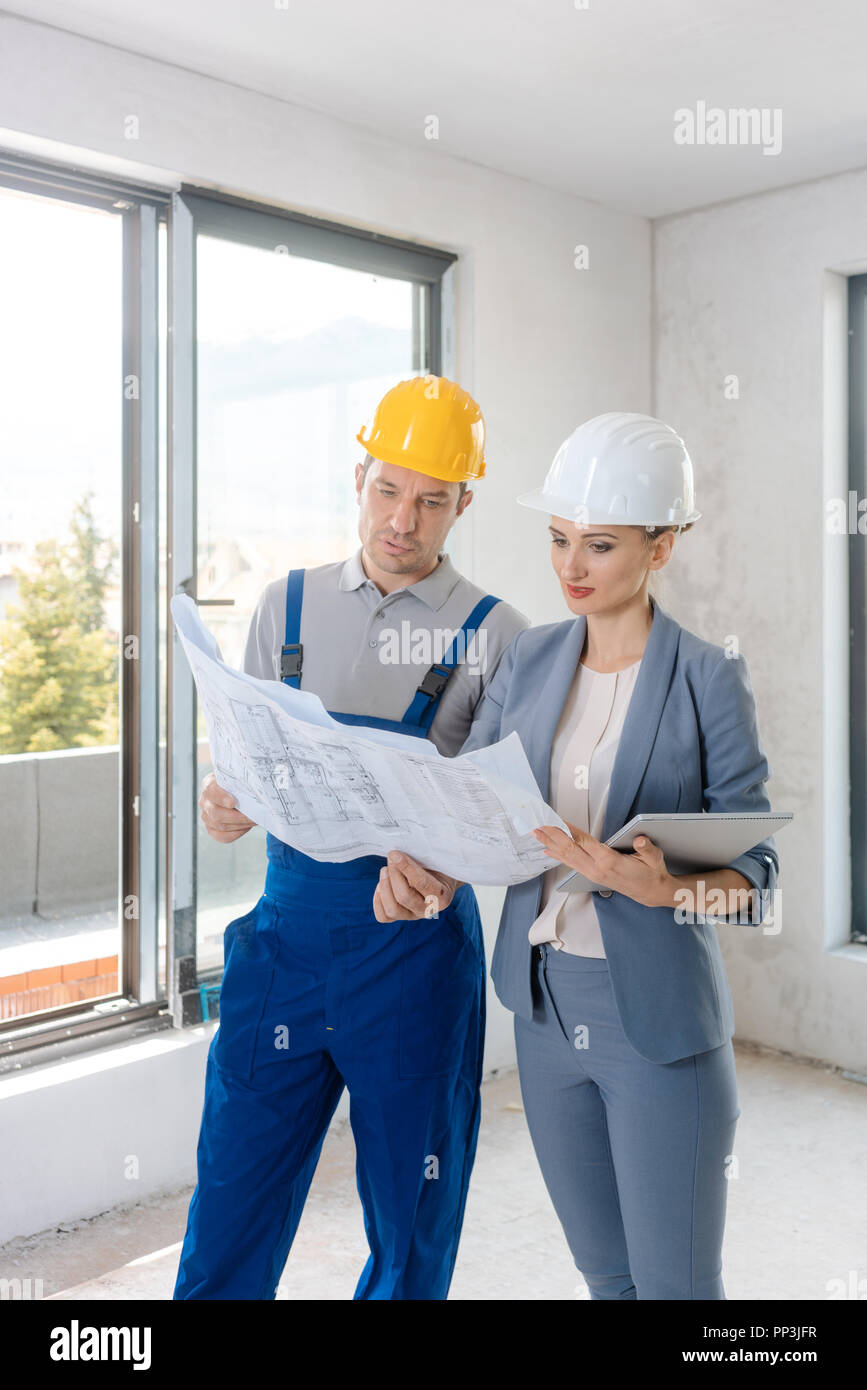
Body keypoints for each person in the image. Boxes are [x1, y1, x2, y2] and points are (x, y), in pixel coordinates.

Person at [373, 410, 779, 1300]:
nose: (568, 568)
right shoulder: (529, 657)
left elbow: (755, 886)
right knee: (607, 1279)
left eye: (597, 545)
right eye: (558, 540)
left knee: (676, 1290)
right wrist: (423, 865)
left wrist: (662, 886)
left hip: (657, 1029)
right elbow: (471, 799)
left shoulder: (708, 677)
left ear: (661, 546)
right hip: (542, 1008)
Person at [173, 375, 529, 1300]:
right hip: (282, 943)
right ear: (359, 476)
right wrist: (223, 802)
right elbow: (240, 771)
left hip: (409, 955)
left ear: (463, 504)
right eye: (387, 489)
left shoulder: (498, 637)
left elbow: (502, 814)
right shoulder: (279, 607)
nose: (402, 520)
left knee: (410, 1222)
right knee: (232, 1195)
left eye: (431, 500)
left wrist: (444, 866)